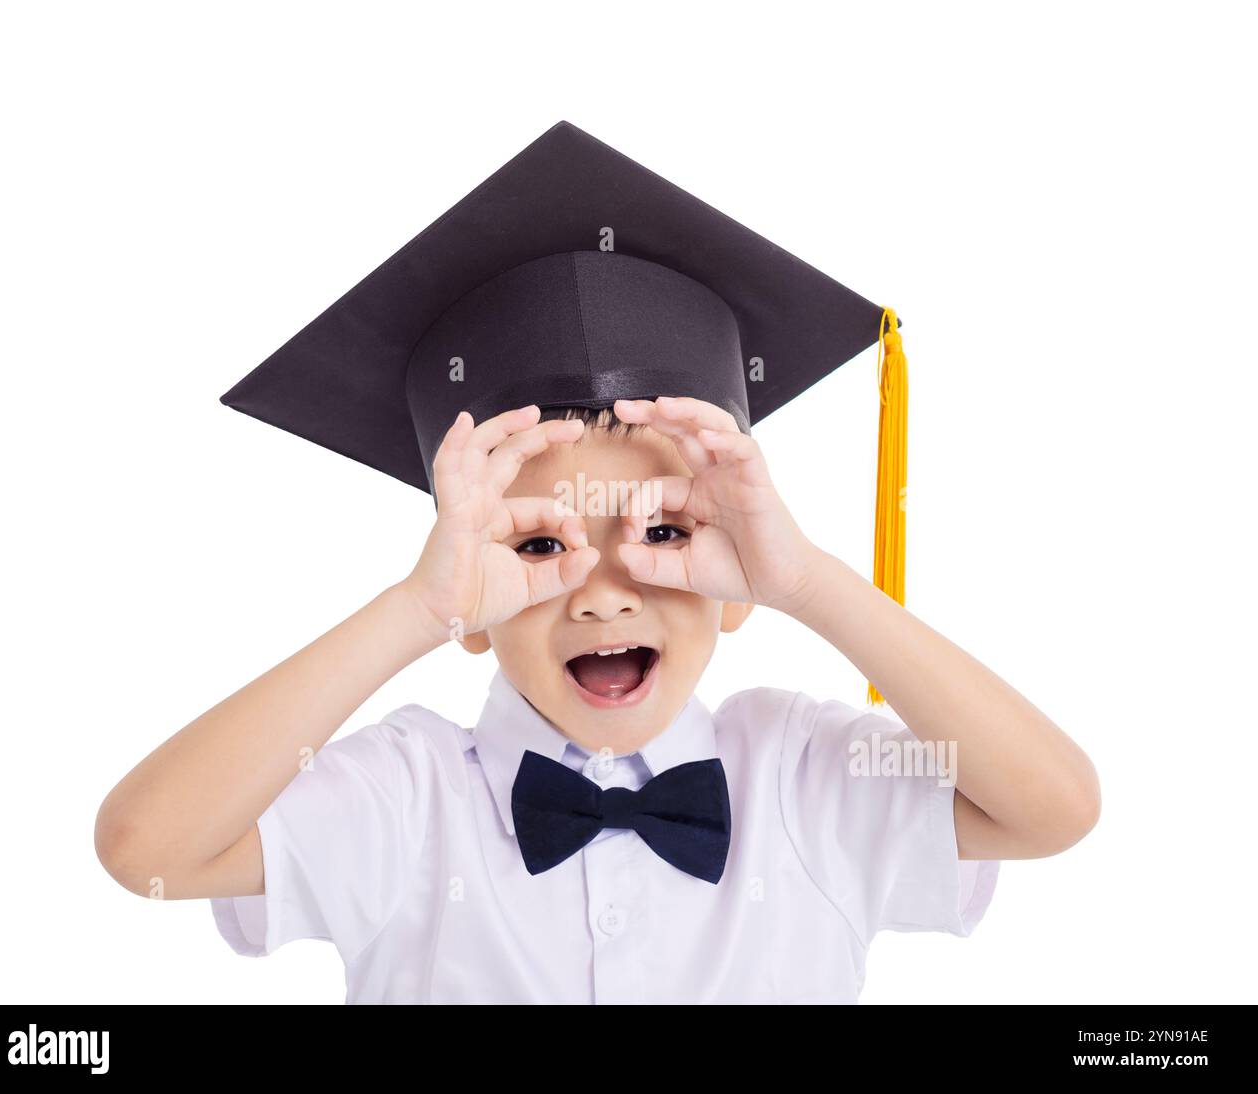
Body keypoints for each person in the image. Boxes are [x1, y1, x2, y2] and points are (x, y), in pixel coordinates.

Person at [94, 122, 1100, 1003]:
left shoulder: (807, 777)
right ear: (473, 604)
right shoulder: (406, 799)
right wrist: (413, 607)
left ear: (736, 577)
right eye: (538, 544)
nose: (603, 592)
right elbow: (145, 852)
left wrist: (808, 581)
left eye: (664, 532)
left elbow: (1055, 806)